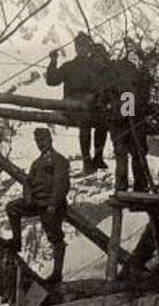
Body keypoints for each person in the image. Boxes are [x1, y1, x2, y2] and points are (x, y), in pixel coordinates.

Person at [6, 127, 70, 284]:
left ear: (50, 140)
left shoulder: (59, 160)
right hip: (36, 202)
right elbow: (28, 182)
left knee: (55, 237)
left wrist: (53, 204)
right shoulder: (36, 163)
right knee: (12, 207)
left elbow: (61, 185)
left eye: (43, 140)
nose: (40, 144)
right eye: (38, 142)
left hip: (50, 204)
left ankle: (57, 273)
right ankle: (16, 242)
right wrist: (27, 195)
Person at [45, 32, 108, 174]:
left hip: (90, 107)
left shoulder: (95, 67)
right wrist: (53, 61)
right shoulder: (69, 66)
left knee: (103, 121)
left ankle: (98, 157)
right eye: (80, 46)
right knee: (85, 121)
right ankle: (87, 160)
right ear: (76, 48)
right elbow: (52, 80)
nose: (83, 49)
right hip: (72, 107)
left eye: (85, 46)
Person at [102, 49, 152, 191]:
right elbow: (141, 97)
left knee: (123, 154)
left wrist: (110, 110)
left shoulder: (112, 75)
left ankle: (123, 186)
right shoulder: (137, 75)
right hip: (131, 119)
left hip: (122, 120)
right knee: (135, 153)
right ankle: (139, 186)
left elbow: (104, 97)